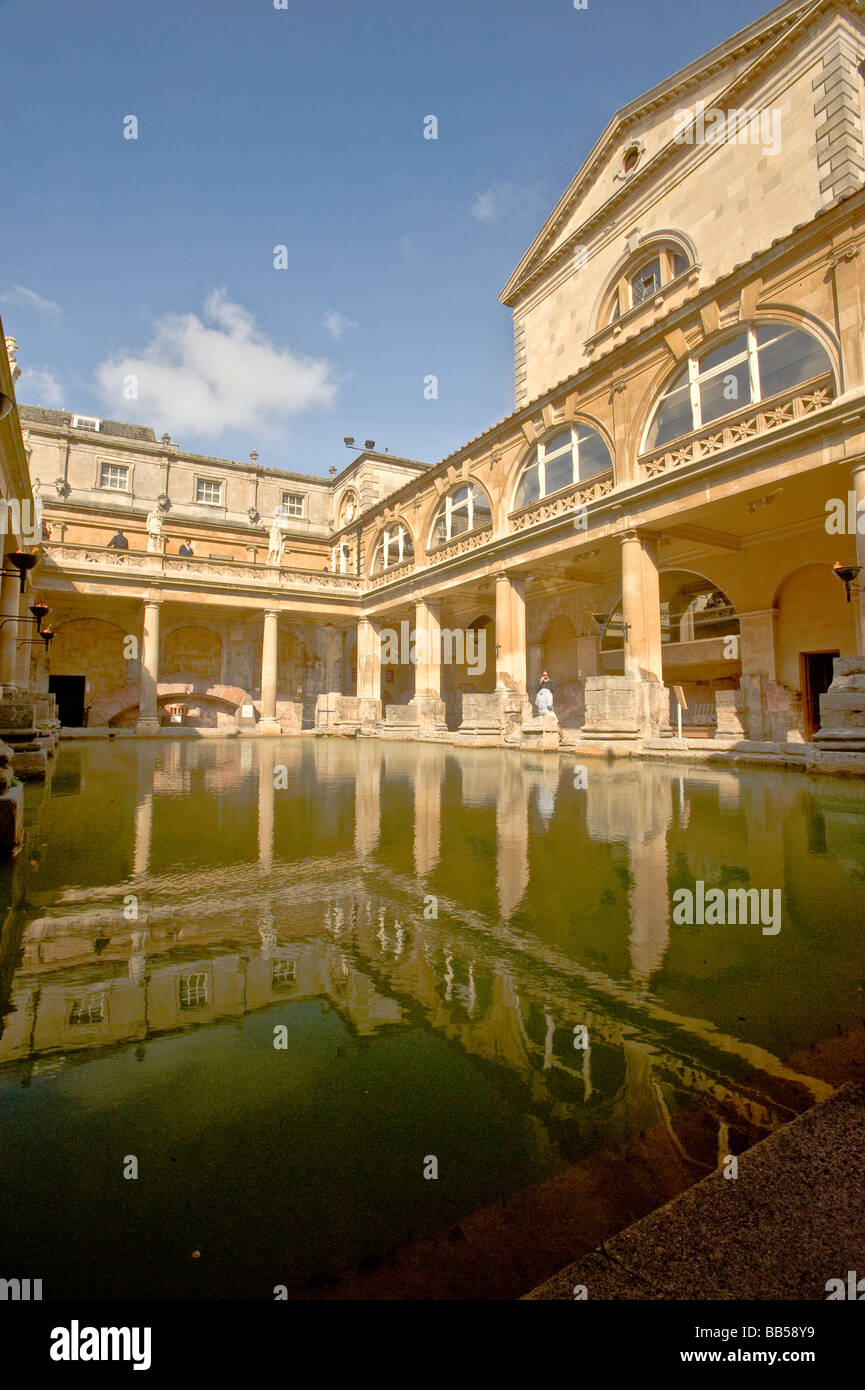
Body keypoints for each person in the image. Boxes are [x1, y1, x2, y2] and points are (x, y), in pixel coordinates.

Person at [536, 669, 563, 743]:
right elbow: (536, 689)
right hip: (546, 709)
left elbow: (554, 690)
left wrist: (550, 682)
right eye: (543, 675)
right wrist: (540, 682)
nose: (545, 677)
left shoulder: (550, 683)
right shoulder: (540, 685)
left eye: (546, 675)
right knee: (555, 722)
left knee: (551, 722)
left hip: (542, 709)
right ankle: (562, 738)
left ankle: (557, 738)